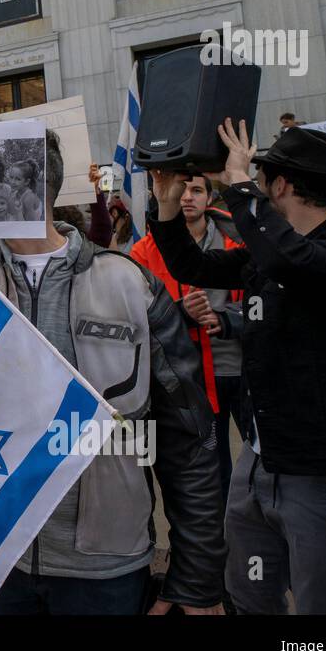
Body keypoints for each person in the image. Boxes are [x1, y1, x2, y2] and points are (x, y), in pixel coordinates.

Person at [0, 128, 224, 615]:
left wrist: (195, 578)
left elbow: (189, 439)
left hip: (103, 564)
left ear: (38, 184)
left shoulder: (129, 282)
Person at [148, 121, 326, 614]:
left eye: (263, 177)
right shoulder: (270, 254)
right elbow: (189, 267)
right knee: (248, 592)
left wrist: (240, 187)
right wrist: (166, 203)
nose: (256, 184)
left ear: (279, 184)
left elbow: (294, 262)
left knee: (321, 604)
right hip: (262, 461)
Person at [131, 173, 245, 487]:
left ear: (209, 198)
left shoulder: (238, 241)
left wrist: (225, 320)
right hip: (186, 373)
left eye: (197, 190)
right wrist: (180, 312)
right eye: (183, 189)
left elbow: (263, 304)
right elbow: (136, 313)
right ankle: (223, 523)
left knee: (260, 455)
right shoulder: (143, 251)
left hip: (239, 366)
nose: (187, 197)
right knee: (209, 458)